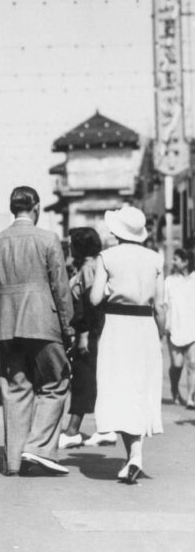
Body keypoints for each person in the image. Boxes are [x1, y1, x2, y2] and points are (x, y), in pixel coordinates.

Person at [0, 186, 73, 476]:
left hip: (6, 324)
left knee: (16, 387)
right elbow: (60, 287)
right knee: (56, 382)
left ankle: (14, 460)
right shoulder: (48, 239)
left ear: (12, 208)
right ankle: (37, 448)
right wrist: (68, 327)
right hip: (43, 321)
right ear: (36, 207)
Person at [89, 206, 164, 483]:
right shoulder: (155, 258)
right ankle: (135, 456)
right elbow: (160, 305)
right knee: (140, 388)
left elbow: (95, 298)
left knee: (118, 388)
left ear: (116, 231)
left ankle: (134, 457)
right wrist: (161, 333)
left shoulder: (108, 257)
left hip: (117, 327)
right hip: (145, 327)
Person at [58, 227, 115, 449]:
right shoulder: (88, 266)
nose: (70, 247)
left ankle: (73, 430)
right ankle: (105, 429)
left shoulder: (89, 268)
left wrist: (83, 334)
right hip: (92, 331)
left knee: (83, 379)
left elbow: (91, 304)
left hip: (90, 332)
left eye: (73, 243)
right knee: (92, 379)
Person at [164, 248, 195, 409]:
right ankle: (175, 389)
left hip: (192, 327)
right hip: (175, 327)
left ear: (186, 262)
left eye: (176, 259)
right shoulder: (169, 281)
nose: (173, 262)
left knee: (193, 363)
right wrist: (165, 324)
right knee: (177, 364)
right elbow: (164, 304)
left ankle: (191, 398)